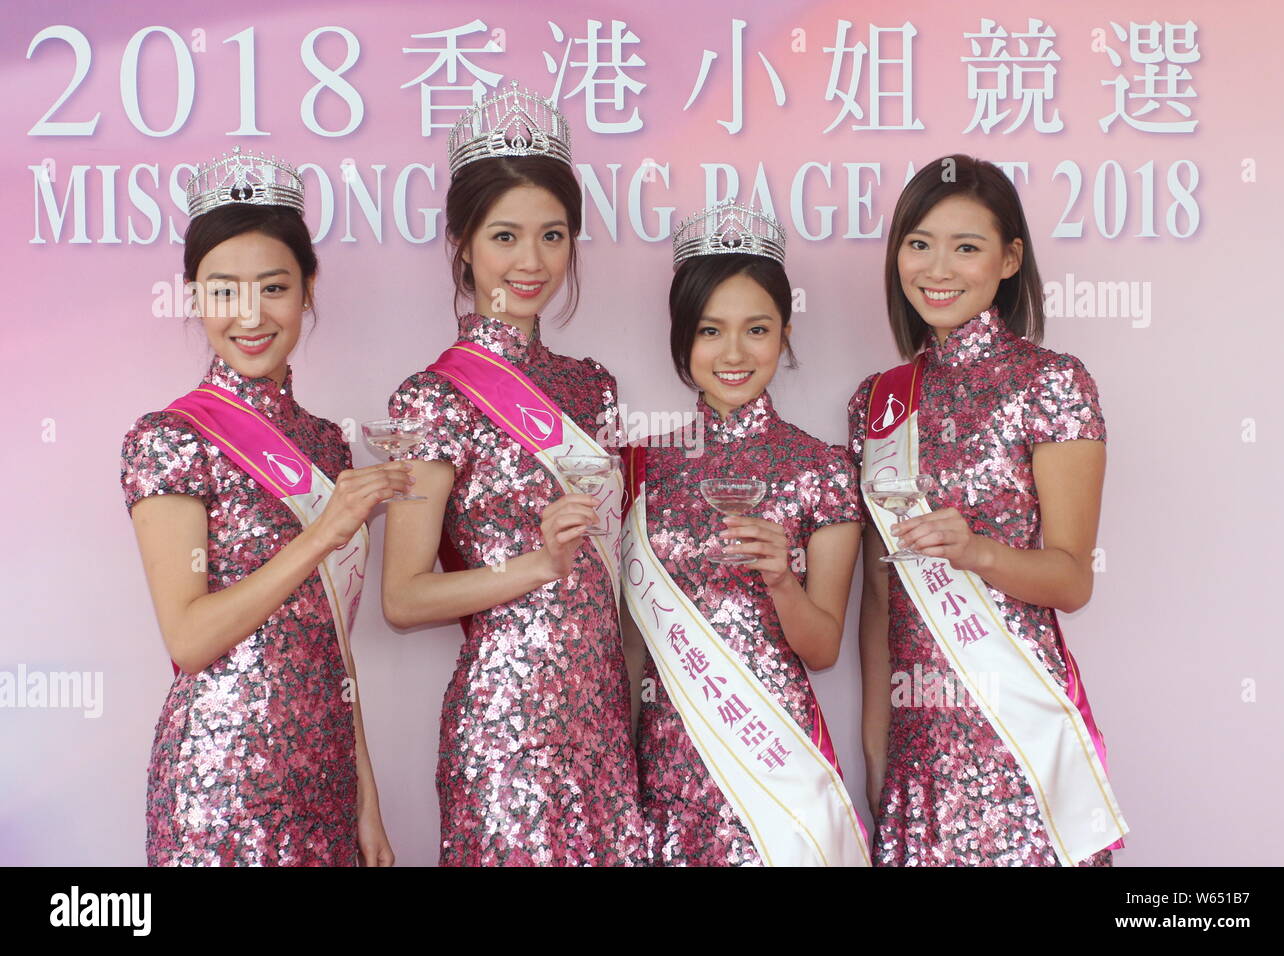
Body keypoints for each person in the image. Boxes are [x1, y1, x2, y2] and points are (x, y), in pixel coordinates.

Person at [381, 82, 644, 865]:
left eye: (553, 236)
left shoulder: (594, 388)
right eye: (505, 237)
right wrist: (535, 566)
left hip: (601, 719)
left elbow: (615, 581)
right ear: (462, 242)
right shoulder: (433, 398)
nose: (531, 263)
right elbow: (403, 596)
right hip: (506, 727)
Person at [121, 146, 403, 865]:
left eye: (273, 288)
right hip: (221, 784)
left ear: (308, 290)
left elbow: (334, 644)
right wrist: (322, 533)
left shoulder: (326, 447)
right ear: (195, 296)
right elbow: (189, 638)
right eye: (223, 291)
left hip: (326, 778)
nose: (250, 315)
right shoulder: (171, 438)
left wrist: (368, 802)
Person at [849, 154, 1128, 866]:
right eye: (919, 244)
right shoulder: (877, 402)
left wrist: (976, 552)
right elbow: (882, 593)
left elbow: (1071, 579)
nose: (937, 268)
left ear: (1008, 260)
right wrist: (879, 747)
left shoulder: (1052, 383)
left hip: (1021, 731)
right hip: (919, 751)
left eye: (965, 247)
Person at [623, 201, 869, 866]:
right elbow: (626, 649)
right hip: (668, 771)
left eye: (756, 329)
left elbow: (823, 648)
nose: (734, 353)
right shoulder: (640, 467)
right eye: (710, 331)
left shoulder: (822, 469)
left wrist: (783, 581)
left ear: (785, 334)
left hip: (777, 765)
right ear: (683, 339)